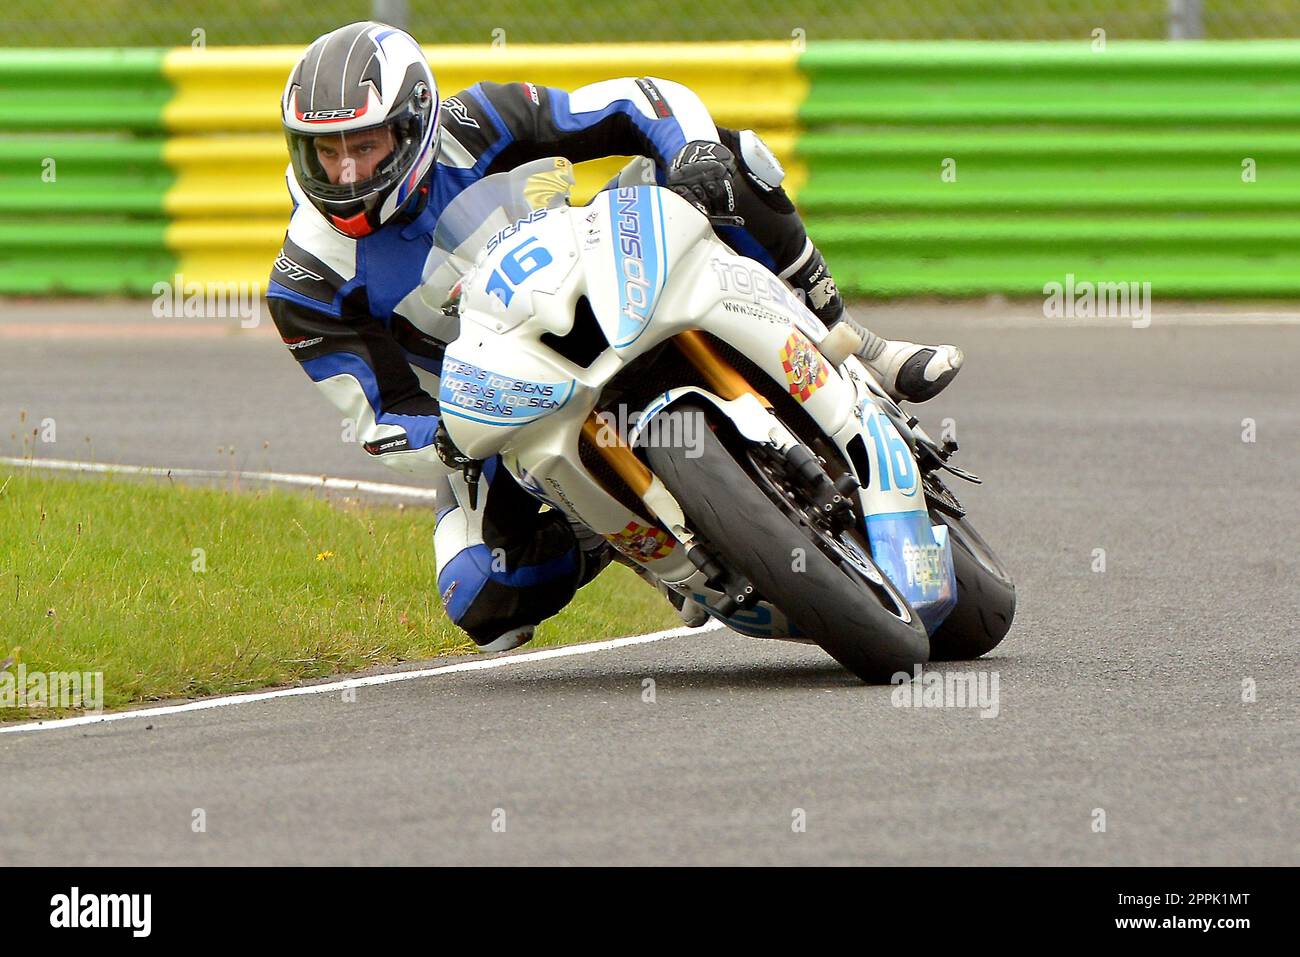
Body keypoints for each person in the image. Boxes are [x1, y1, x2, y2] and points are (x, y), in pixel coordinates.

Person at [268, 21, 963, 652]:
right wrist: (446, 437)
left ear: (413, 125)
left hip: (598, 277)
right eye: (325, 152)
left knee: (728, 158)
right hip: (496, 404)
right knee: (482, 594)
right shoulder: (306, 282)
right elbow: (379, 418)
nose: (347, 171)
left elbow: (634, 103)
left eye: (364, 145)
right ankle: (605, 531)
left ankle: (849, 336)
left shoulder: (475, 119)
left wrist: (687, 150)